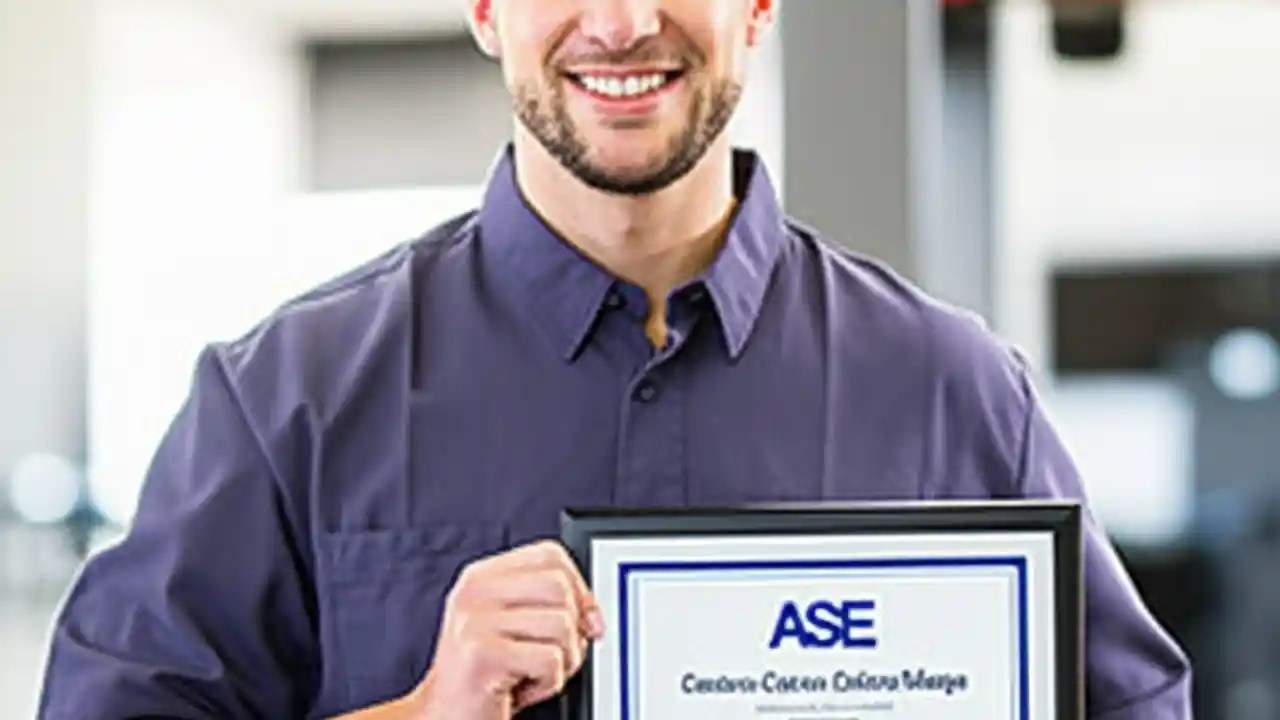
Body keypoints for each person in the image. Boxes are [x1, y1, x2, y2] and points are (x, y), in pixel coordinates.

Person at [39, 0, 1192, 718]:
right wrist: (427, 715)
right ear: (486, 8)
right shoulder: (285, 398)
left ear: (758, 4)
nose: (622, 20)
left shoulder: (952, 390)